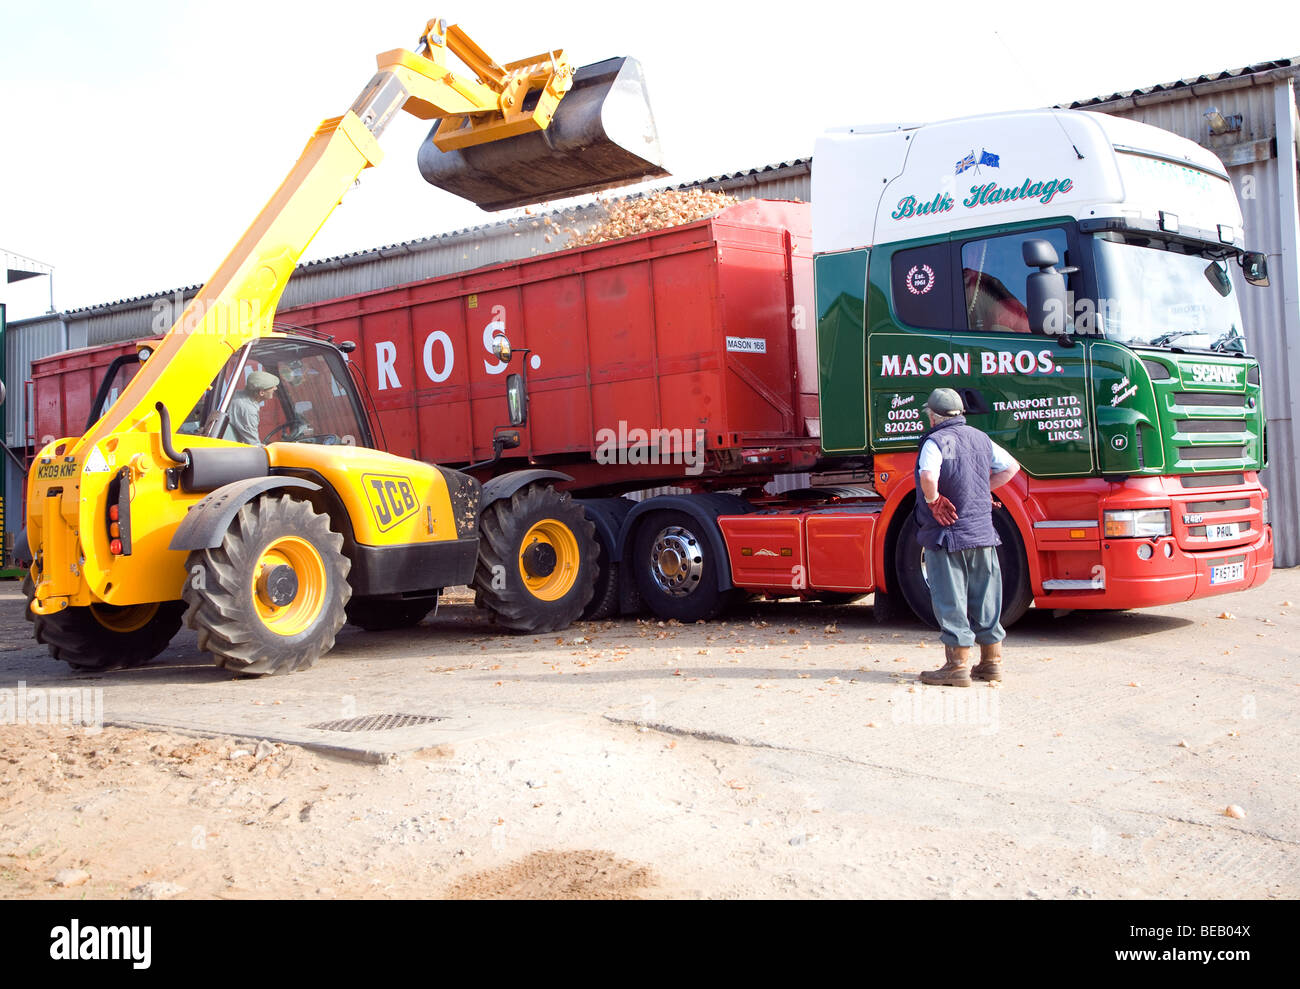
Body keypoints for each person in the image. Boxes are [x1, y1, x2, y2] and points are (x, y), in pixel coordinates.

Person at [914, 387, 1020, 687]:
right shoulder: (980, 437)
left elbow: (928, 477)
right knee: (986, 596)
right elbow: (1012, 467)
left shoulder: (935, 441)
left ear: (932, 416)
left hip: (947, 534)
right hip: (983, 532)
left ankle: (957, 666)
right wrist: (983, 490)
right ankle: (991, 663)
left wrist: (934, 501)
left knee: (950, 598)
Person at [228, 370, 279, 446]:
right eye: (272, 387)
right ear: (261, 393)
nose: (275, 388)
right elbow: (253, 445)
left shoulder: (237, 394)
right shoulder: (248, 411)